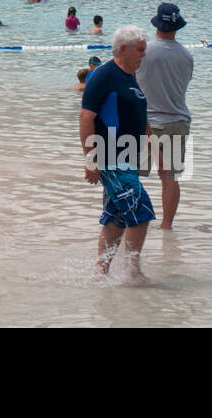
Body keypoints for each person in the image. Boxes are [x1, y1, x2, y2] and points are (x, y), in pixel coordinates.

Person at [81, 26, 154, 282]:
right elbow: (86, 117)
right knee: (141, 210)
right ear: (123, 49)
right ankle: (133, 273)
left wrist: (155, 146)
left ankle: (100, 273)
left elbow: (138, 115)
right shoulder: (104, 76)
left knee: (117, 219)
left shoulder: (130, 75)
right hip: (111, 158)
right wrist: (91, 161)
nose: (144, 55)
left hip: (129, 160)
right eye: (140, 50)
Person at [139, 4, 193, 231]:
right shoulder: (186, 56)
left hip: (146, 120)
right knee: (170, 177)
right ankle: (166, 225)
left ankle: (132, 220)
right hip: (177, 119)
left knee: (132, 175)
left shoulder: (143, 51)